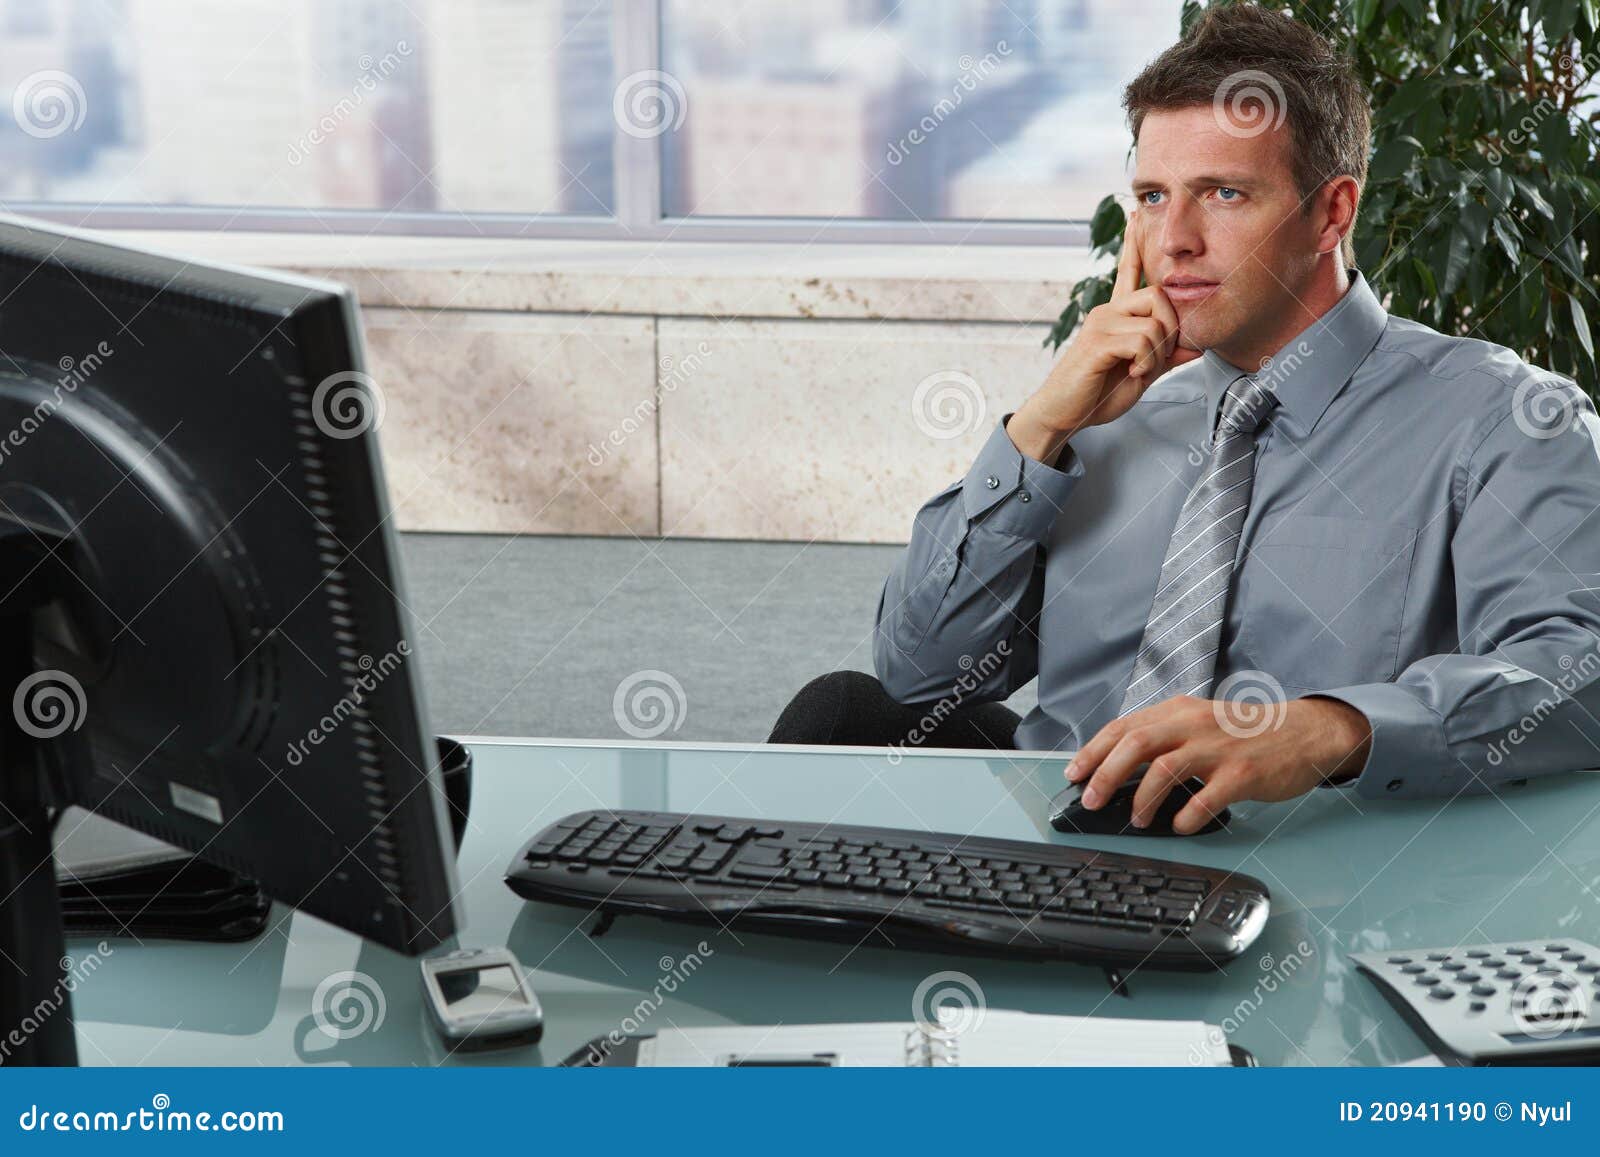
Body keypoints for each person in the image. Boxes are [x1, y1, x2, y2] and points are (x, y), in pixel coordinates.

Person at [771, 4, 1600, 834]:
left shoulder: (1501, 419)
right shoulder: (1103, 417)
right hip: (1063, 854)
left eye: (1223, 193)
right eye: (1152, 196)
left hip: (1312, 874)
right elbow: (919, 677)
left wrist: (1328, 728)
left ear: (1332, 213)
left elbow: (1581, 675)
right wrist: (1037, 431)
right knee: (837, 716)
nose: (1174, 240)